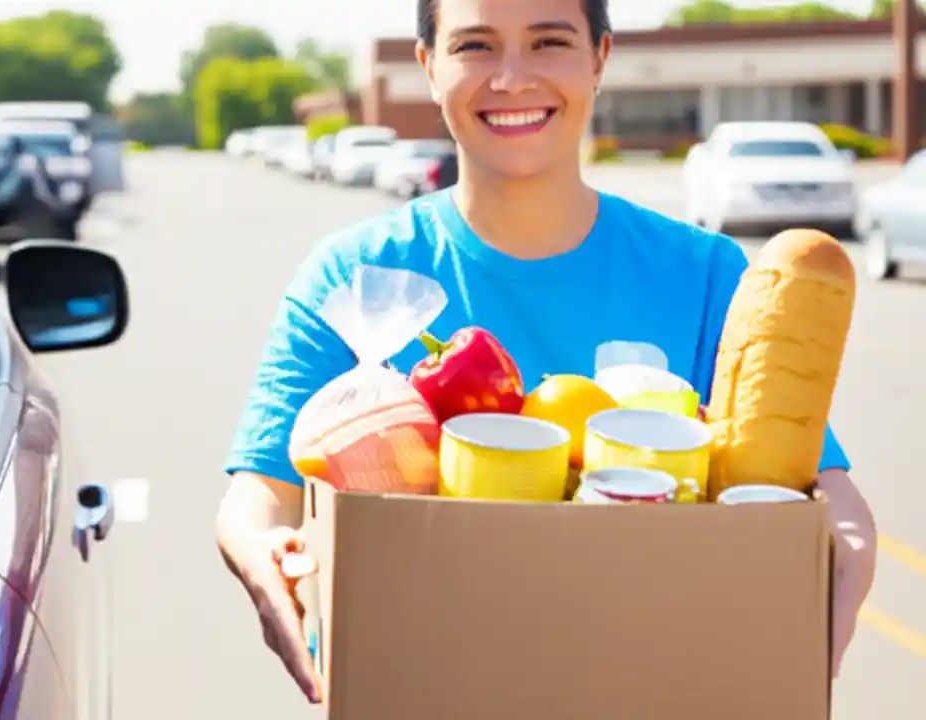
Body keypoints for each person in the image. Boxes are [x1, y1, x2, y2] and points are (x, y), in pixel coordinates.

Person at [216, 0, 877, 705]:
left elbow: (808, 478)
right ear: (427, 67)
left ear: (599, 58)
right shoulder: (356, 278)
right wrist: (263, 555)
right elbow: (260, 491)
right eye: (475, 46)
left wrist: (846, 542)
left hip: (659, 685)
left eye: (548, 42)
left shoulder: (706, 274)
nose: (512, 78)